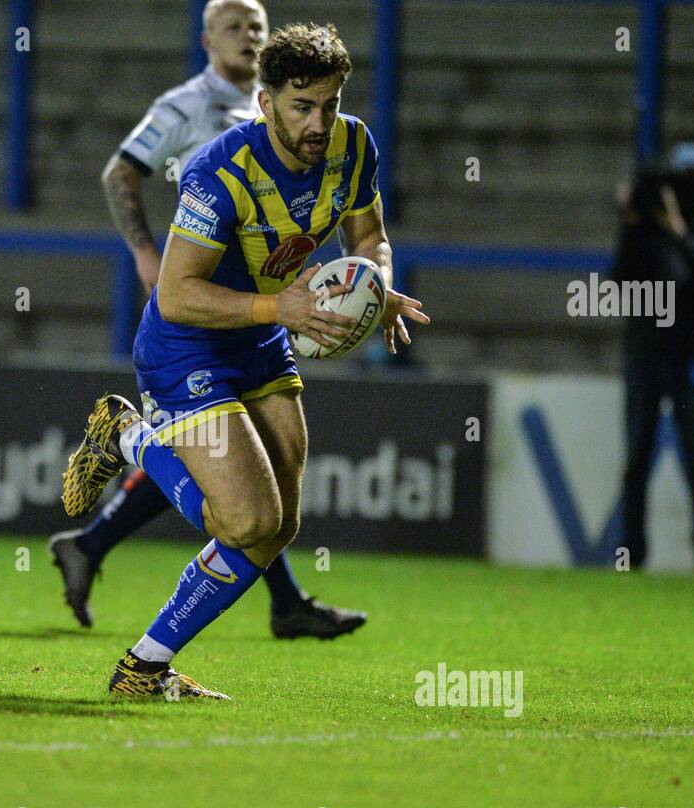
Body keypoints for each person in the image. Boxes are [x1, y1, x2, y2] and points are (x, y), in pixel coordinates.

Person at [60, 23, 430, 699]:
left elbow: (370, 232)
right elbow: (176, 295)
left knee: (278, 526)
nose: (319, 122)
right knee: (247, 521)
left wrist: (374, 283)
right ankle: (129, 435)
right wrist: (278, 311)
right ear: (265, 103)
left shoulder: (353, 145)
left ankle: (145, 667)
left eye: (329, 103)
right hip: (186, 345)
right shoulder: (218, 171)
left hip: (261, 338)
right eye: (301, 106)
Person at [616, 141, 694, 570]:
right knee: (636, 461)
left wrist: (677, 231)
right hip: (646, 356)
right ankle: (630, 552)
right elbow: (621, 282)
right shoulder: (648, 230)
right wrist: (631, 222)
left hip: (691, 357)